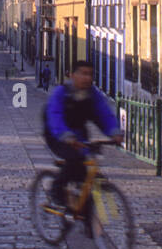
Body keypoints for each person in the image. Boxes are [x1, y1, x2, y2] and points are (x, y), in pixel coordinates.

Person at [44, 61, 123, 210]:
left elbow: (104, 113)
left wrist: (114, 132)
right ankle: (56, 190)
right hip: (56, 133)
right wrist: (66, 136)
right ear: (73, 75)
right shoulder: (61, 93)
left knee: (86, 173)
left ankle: (82, 214)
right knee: (74, 158)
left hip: (80, 133)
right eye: (83, 73)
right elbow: (55, 116)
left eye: (90, 74)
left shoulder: (93, 94)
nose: (87, 78)